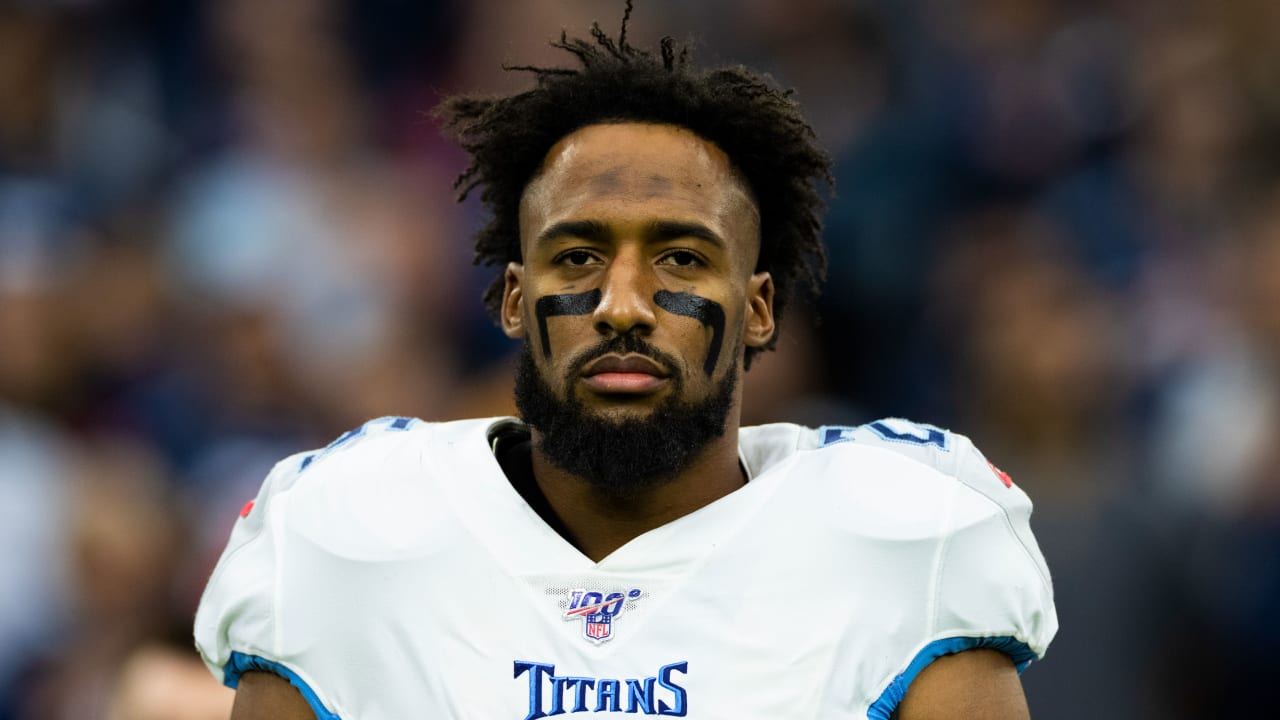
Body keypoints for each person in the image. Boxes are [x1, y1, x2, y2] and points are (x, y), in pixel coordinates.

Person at [194, 6, 1057, 718]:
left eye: (681, 258)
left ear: (759, 310)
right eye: (577, 257)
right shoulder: (342, 536)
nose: (623, 304)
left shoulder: (909, 541)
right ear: (511, 301)